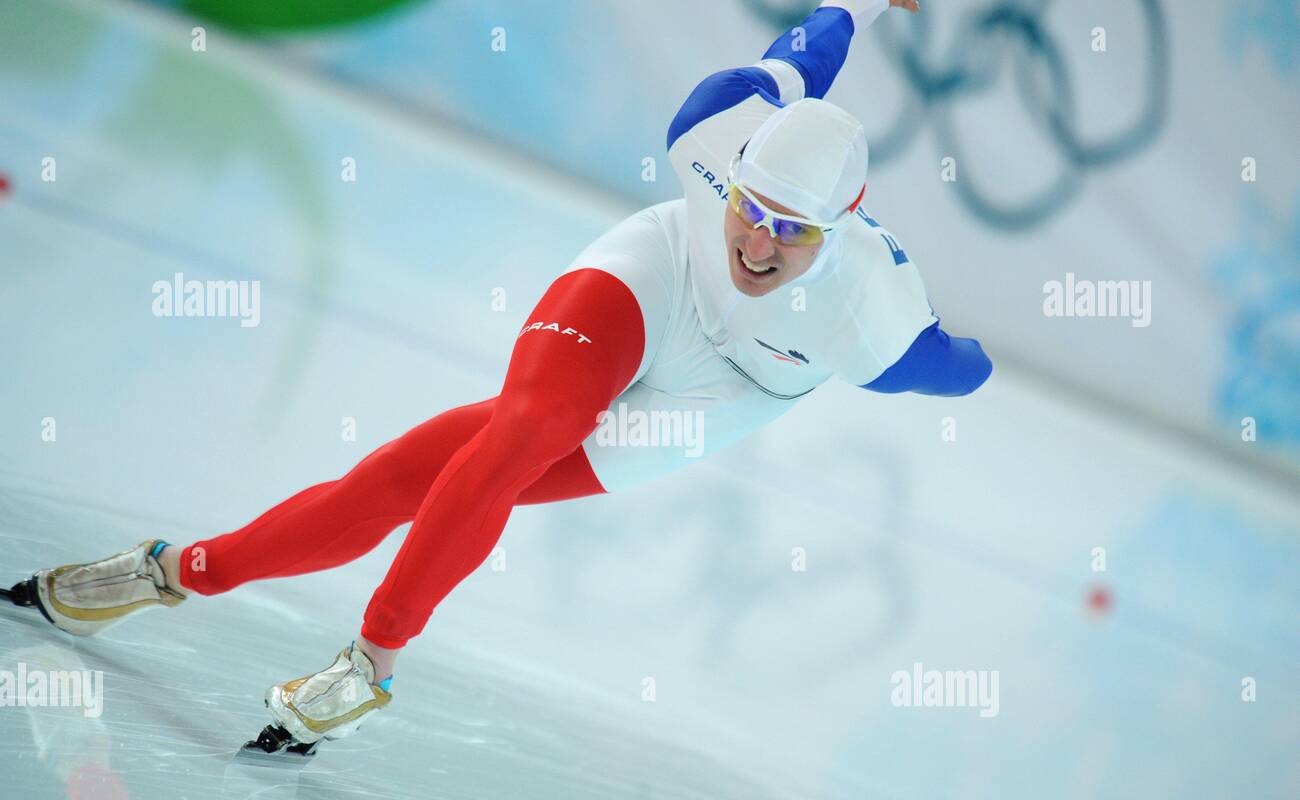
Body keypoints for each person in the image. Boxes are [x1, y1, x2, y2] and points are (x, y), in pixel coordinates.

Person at [6, 0, 989, 749]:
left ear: (842, 227)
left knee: (444, 478)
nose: (761, 242)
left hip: (715, 398)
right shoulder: (717, 126)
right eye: (751, 208)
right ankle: (200, 581)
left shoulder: (878, 322)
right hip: (653, 280)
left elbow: (963, 373)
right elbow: (808, 48)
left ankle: (315, 634)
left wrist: (974, 349)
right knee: (501, 437)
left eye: (793, 230)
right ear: (732, 173)